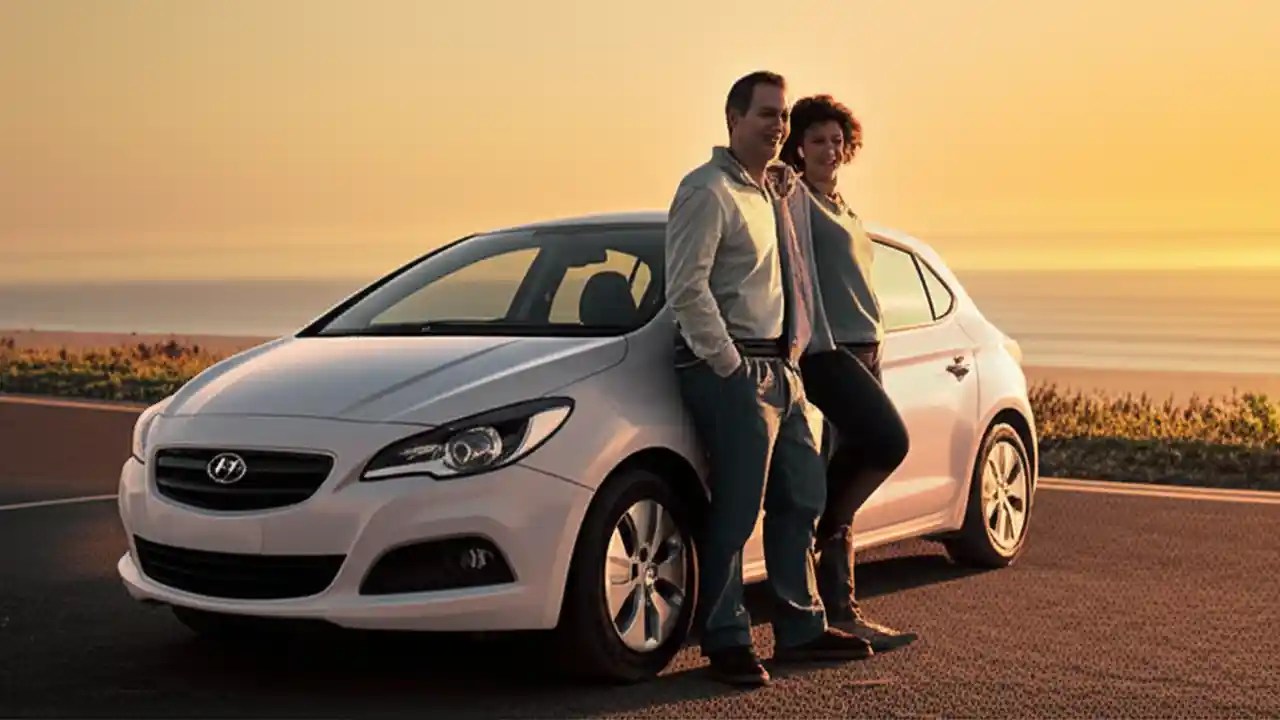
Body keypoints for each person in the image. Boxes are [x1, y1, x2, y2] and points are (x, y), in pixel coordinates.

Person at [665, 71, 875, 688]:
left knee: (802, 493)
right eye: (767, 115)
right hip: (732, 368)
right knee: (736, 506)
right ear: (733, 118)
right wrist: (729, 366)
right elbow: (687, 288)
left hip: (780, 368)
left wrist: (786, 362)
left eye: (783, 116)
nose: (779, 126)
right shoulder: (706, 192)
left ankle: (801, 627)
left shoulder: (770, 191)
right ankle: (726, 638)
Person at [772, 94, 917, 652]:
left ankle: (843, 610)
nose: (829, 149)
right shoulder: (797, 199)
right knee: (887, 441)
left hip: (867, 349)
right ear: (799, 147)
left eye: (836, 141)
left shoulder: (845, 207)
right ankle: (821, 524)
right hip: (827, 352)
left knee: (849, 467)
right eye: (816, 140)